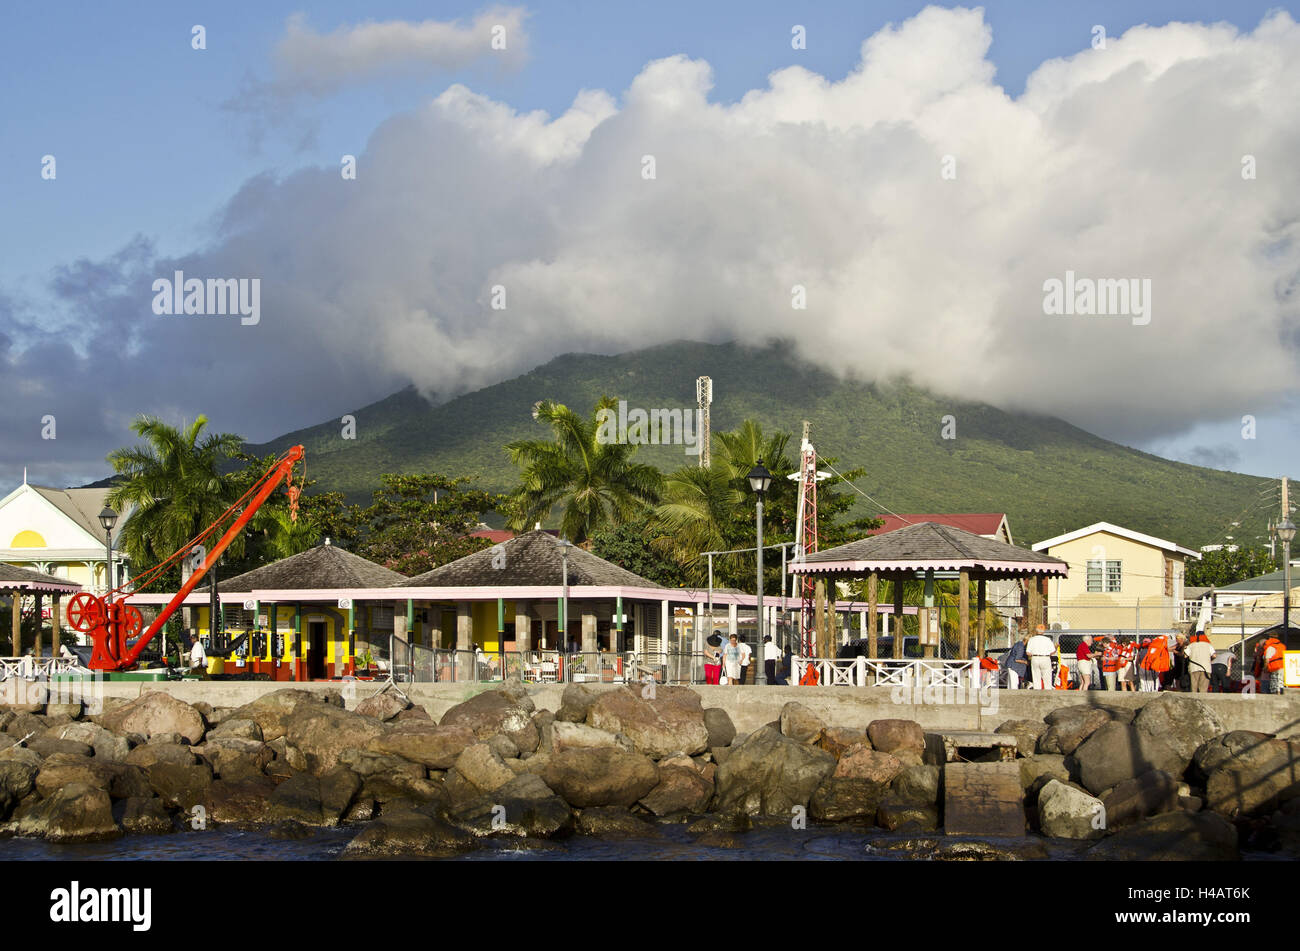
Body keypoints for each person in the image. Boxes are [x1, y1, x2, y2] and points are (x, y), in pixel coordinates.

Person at [1026, 625, 1056, 690]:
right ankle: (1047, 691)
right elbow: (1053, 651)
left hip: (1035, 658)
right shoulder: (1047, 640)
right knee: (1047, 677)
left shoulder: (1031, 639)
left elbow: (1028, 652)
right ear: (1043, 631)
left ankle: (1037, 692)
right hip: (1045, 658)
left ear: (1036, 630)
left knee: (1036, 677)